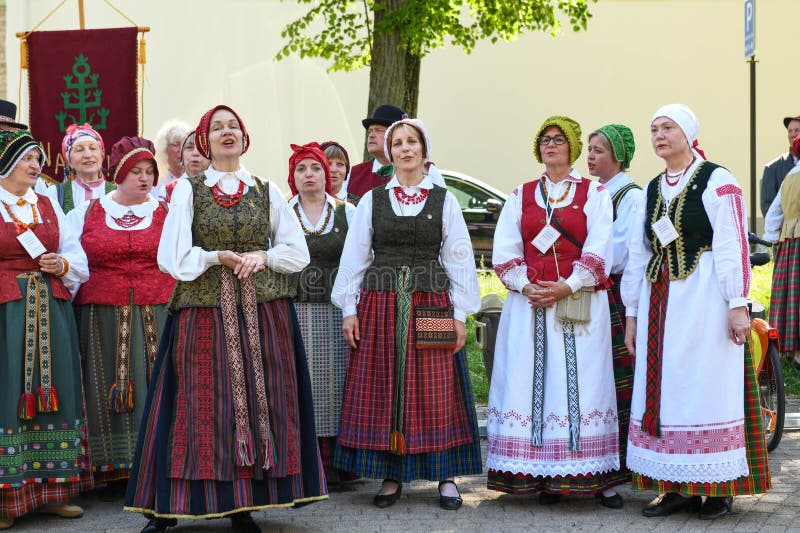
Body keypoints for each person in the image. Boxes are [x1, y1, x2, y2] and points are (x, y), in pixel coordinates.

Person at [123, 104, 326, 533]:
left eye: (233, 126)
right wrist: (215, 256)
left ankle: (242, 506)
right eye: (217, 128)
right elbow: (171, 257)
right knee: (194, 406)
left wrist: (262, 256)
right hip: (204, 313)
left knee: (258, 404)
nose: (226, 132)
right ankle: (166, 507)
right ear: (204, 141)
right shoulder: (188, 190)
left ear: (244, 137)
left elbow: (296, 253)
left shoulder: (266, 188)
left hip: (263, 312)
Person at [622, 104, 771, 520]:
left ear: (688, 132)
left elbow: (732, 245)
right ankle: (676, 488)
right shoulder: (651, 189)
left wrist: (738, 304)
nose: (659, 135)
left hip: (705, 297)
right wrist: (633, 312)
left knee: (706, 382)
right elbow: (638, 253)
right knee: (668, 386)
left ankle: (717, 489)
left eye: (667, 127)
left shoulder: (717, 179)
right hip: (660, 302)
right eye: (653, 129)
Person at [332, 117, 481, 510]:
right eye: (397, 143)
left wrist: (461, 314)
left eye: (411, 141)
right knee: (386, 387)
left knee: (437, 389)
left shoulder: (444, 200)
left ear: (423, 149)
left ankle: (446, 476)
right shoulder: (373, 200)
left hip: (431, 300)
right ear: (390, 151)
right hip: (380, 305)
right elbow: (356, 257)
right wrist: (350, 309)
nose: (405, 148)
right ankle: (391, 474)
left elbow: (460, 258)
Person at [486, 116, 623, 508]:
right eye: (544, 139)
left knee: (584, 381)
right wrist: (525, 284)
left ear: (573, 147)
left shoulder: (594, 192)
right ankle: (539, 474)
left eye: (559, 140)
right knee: (532, 381)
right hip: (529, 304)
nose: (550, 145)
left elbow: (599, 247)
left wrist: (568, 285)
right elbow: (506, 248)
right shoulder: (521, 193)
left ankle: (594, 477)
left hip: (578, 302)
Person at [66, 137, 176, 495]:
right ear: (118, 173)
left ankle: (157, 462)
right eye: (135, 172)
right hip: (100, 318)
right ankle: (107, 467)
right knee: (100, 385)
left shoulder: (166, 212)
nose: (144, 179)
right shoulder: (85, 213)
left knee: (156, 382)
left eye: (149, 172)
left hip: (157, 312)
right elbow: (72, 261)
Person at [0, 129, 92, 529]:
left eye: (38, 158)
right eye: (27, 158)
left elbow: (78, 257)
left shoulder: (49, 202)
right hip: (6, 312)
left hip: (51, 309)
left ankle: (53, 491)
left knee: (57, 391)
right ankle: (6, 499)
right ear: (5, 162)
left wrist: (64, 265)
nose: (36, 165)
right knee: (8, 392)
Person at [287, 142, 356, 488]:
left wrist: (353, 308)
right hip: (295, 312)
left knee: (338, 386)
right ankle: (305, 467)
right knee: (303, 387)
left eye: (315, 168)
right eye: (301, 169)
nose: (309, 175)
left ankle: (339, 466)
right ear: (293, 176)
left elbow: (361, 263)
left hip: (338, 314)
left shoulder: (347, 212)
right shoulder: (282, 214)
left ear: (326, 174)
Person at [345, 105, 445, 203]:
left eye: (378, 130)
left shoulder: (429, 171)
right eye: (370, 131)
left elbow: (442, 209)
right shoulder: (354, 173)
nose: (371, 135)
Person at [763, 134, 800, 368]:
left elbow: (774, 213)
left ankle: (794, 351)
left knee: (791, 295)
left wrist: (772, 239)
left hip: (789, 244)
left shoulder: (789, 176)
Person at [56, 124, 115, 213]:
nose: (88, 155)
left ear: (102, 155)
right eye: (79, 150)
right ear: (69, 161)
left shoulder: (117, 194)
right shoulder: (55, 194)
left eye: (93, 148)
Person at [760, 114, 800, 216]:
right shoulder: (772, 168)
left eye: (797, 130)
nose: (792, 134)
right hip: (785, 230)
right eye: (790, 131)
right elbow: (767, 208)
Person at [162, 130, 210, 203]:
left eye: (202, 148)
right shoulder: (168, 190)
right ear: (182, 154)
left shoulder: (221, 188)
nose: (195, 153)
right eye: (190, 147)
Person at [151, 119, 191, 202]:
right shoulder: (155, 184)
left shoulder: (199, 180)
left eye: (186, 144)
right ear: (165, 148)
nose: (181, 150)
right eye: (176, 144)